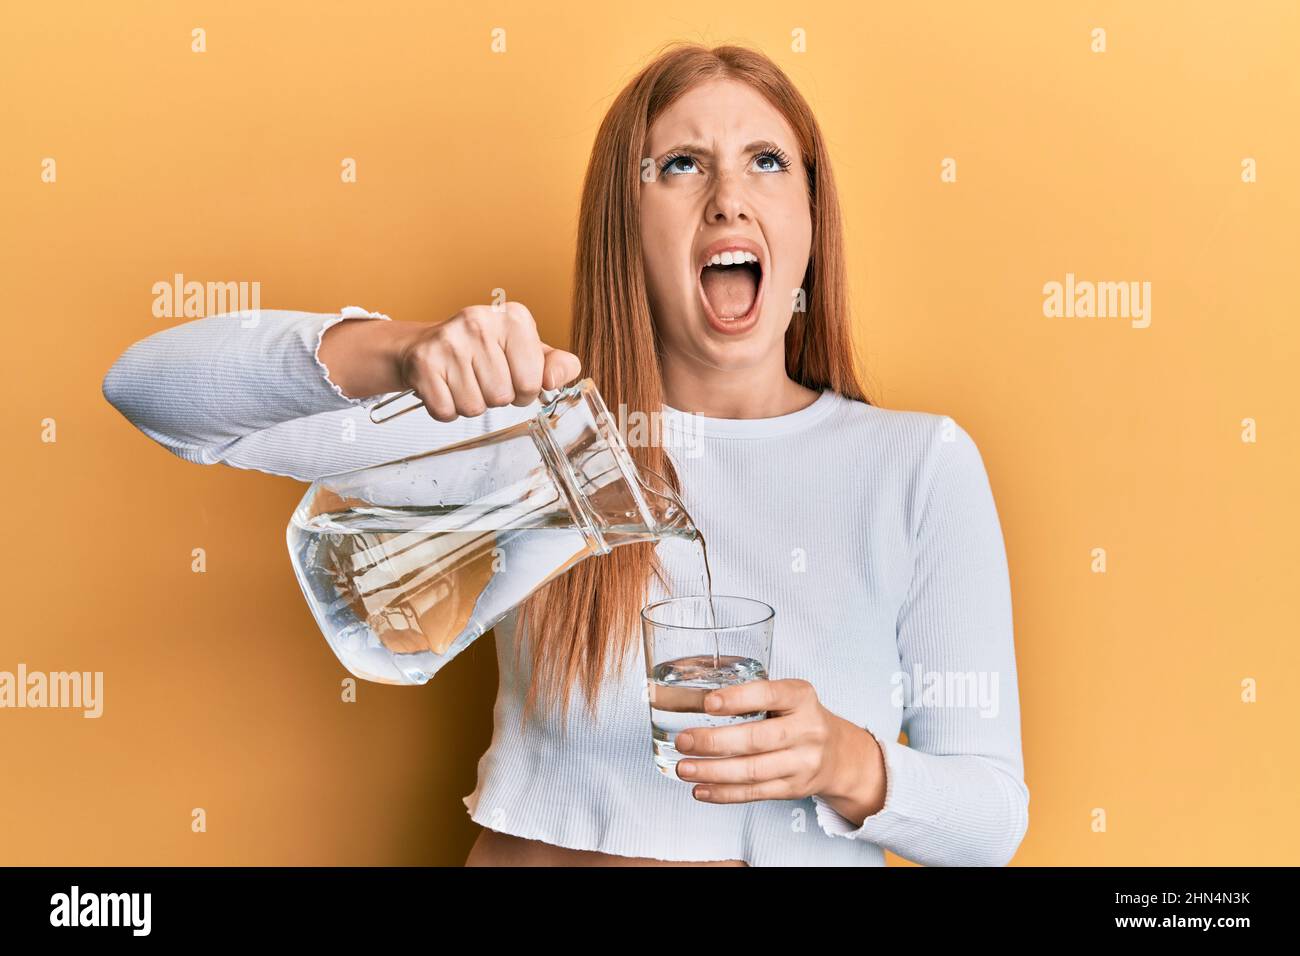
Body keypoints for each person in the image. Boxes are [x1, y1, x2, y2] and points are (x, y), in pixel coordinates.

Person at [102, 42, 1028, 866]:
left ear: (811, 222)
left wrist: (846, 760)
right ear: (624, 227)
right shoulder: (538, 432)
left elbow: (991, 824)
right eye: (680, 164)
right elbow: (152, 390)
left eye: (767, 161)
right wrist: (400, 350)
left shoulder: (919, 466)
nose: (728, 198)